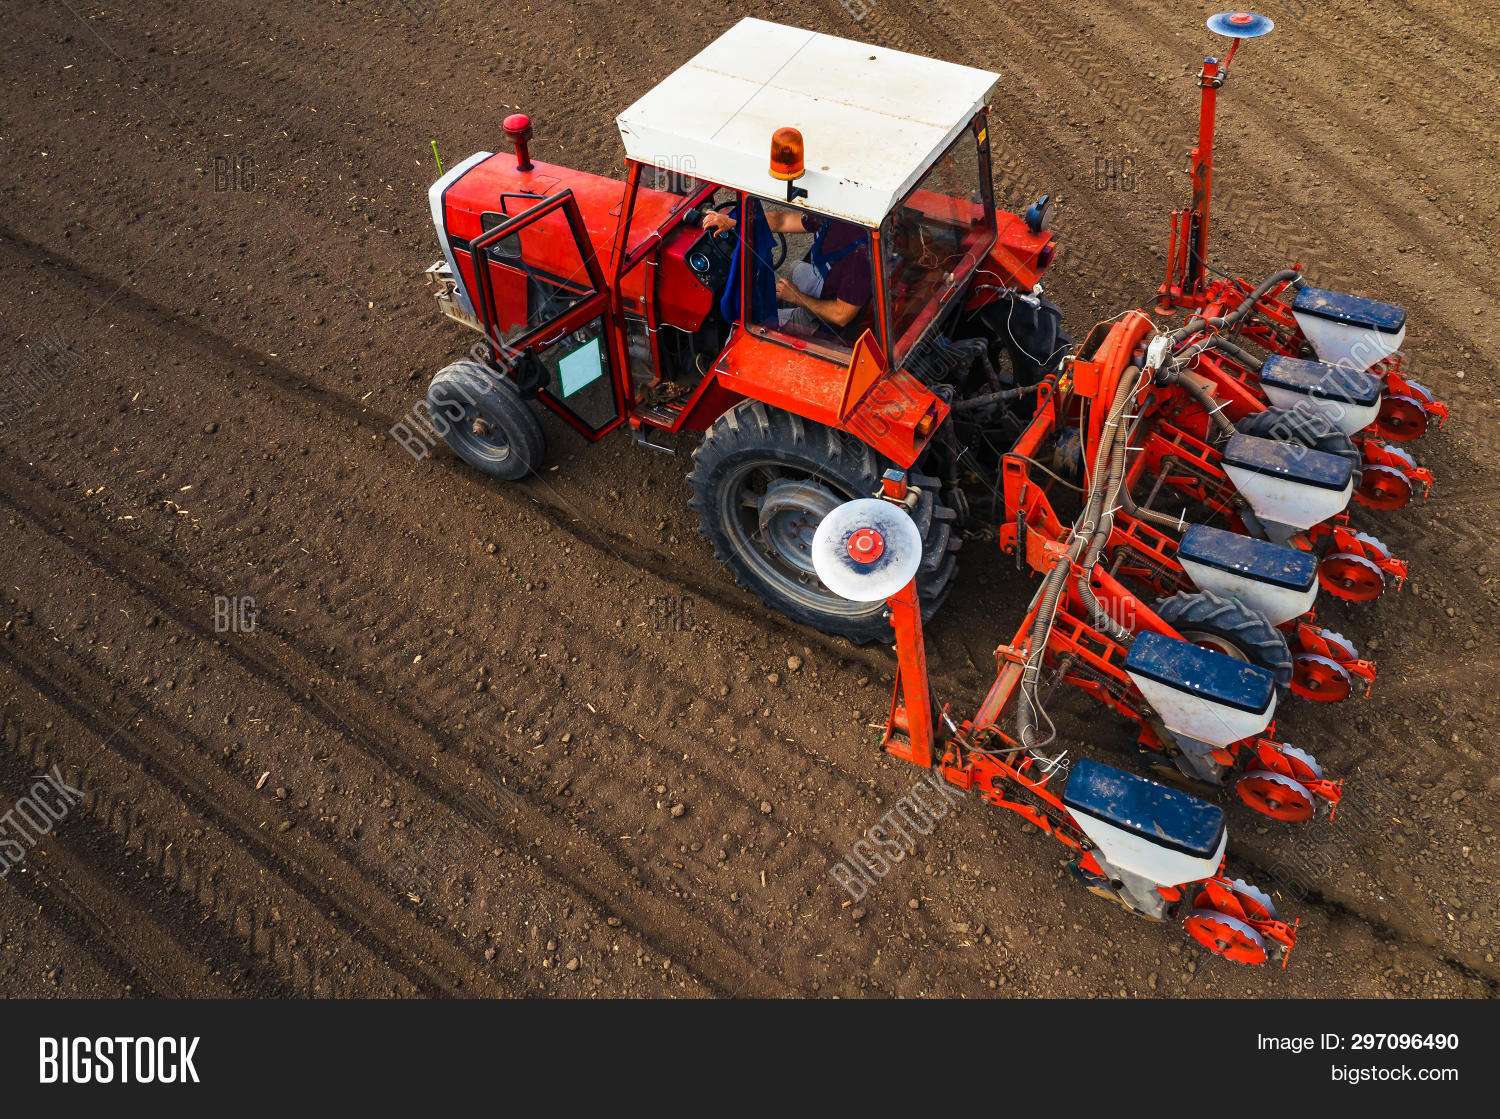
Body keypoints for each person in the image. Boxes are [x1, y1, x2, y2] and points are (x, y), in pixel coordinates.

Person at [702, 208, 872, 341]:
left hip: (827, 321)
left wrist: (796, 297)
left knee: (749, 326)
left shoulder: (860, 258)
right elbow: (782, 220)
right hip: (825, 283)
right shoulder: (833, 215)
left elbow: (842, 316)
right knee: (796, 269)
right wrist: (735, 222)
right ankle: (778, 309)